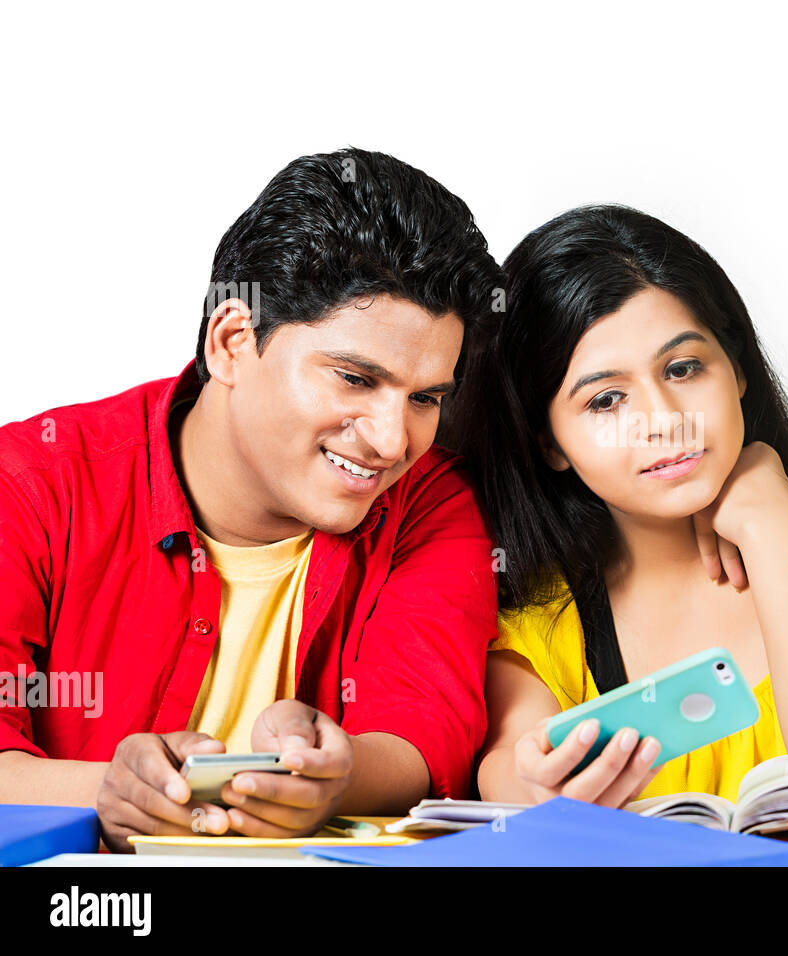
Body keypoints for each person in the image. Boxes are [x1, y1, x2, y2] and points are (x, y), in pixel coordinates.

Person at [0, 147, 502, 851]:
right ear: (233, 340)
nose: (392, 442)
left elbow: (426, 734)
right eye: (355, 379)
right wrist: (108, 790)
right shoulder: (31, 481)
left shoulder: (430, 501)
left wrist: (338, 771)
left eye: (424, 399)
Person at [443, 204, 788, 807]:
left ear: (737, 370)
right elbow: (509, 766)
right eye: (605, 401)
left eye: (682, 368)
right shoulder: (544, 615)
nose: (664, 421)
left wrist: (773, 525)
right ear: (549, 443)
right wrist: (535, 785)